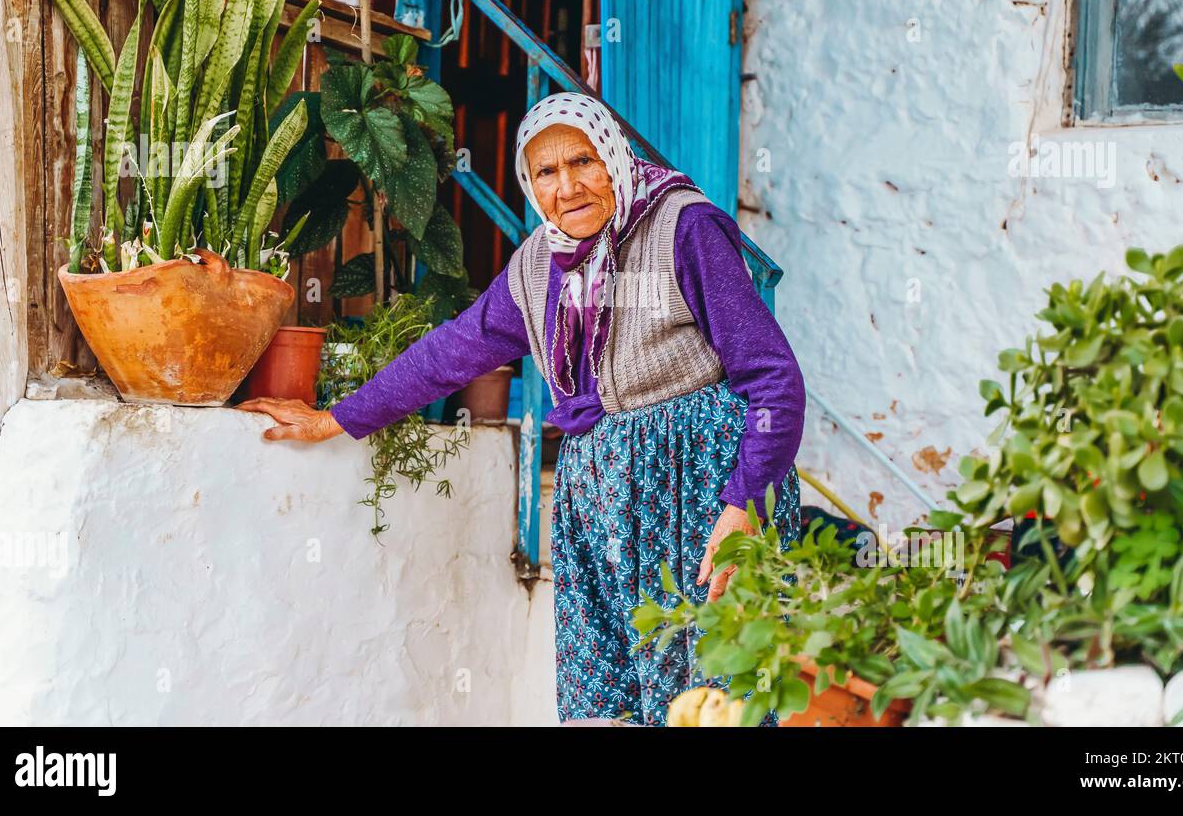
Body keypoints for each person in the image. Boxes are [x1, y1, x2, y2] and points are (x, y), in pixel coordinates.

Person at [239, 91, 805, 725]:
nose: (567, 187)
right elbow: (449, 354)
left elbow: (774, 379)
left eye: (583, 162)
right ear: (529, 184)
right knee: (609, 702)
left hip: (700, 494)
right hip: (603, 512)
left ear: (614, 157)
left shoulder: (682, 228)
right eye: (546, 172)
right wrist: (336, 418)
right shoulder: (539, 266)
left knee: (717, 697)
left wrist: (744, 506)